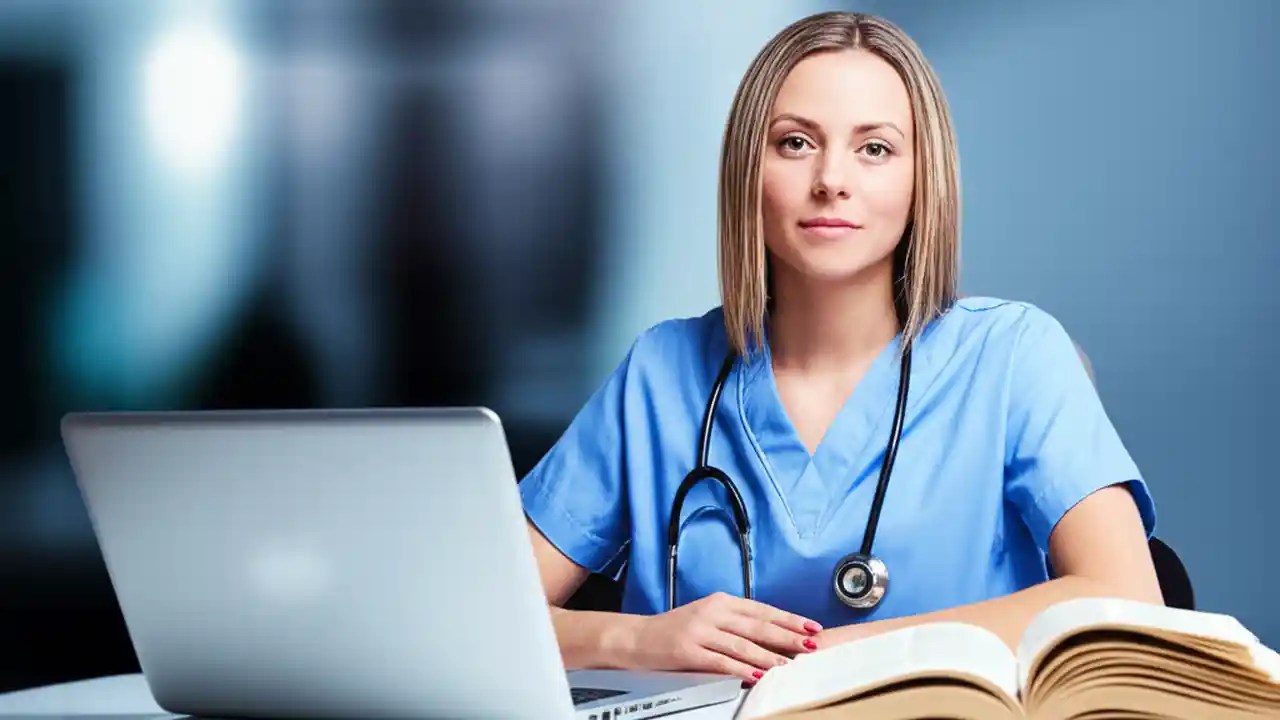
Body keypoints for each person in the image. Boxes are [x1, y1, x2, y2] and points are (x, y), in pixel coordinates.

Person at [517, 10, 1161, 686]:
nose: (832, 179)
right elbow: (486, 616)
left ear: (922, 179)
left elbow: (1125, 597)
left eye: (874, 148)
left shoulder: (1013, 355)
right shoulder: (660, 373)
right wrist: (641, 640)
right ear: (747, 170)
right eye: (795, 143)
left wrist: (822, 660)